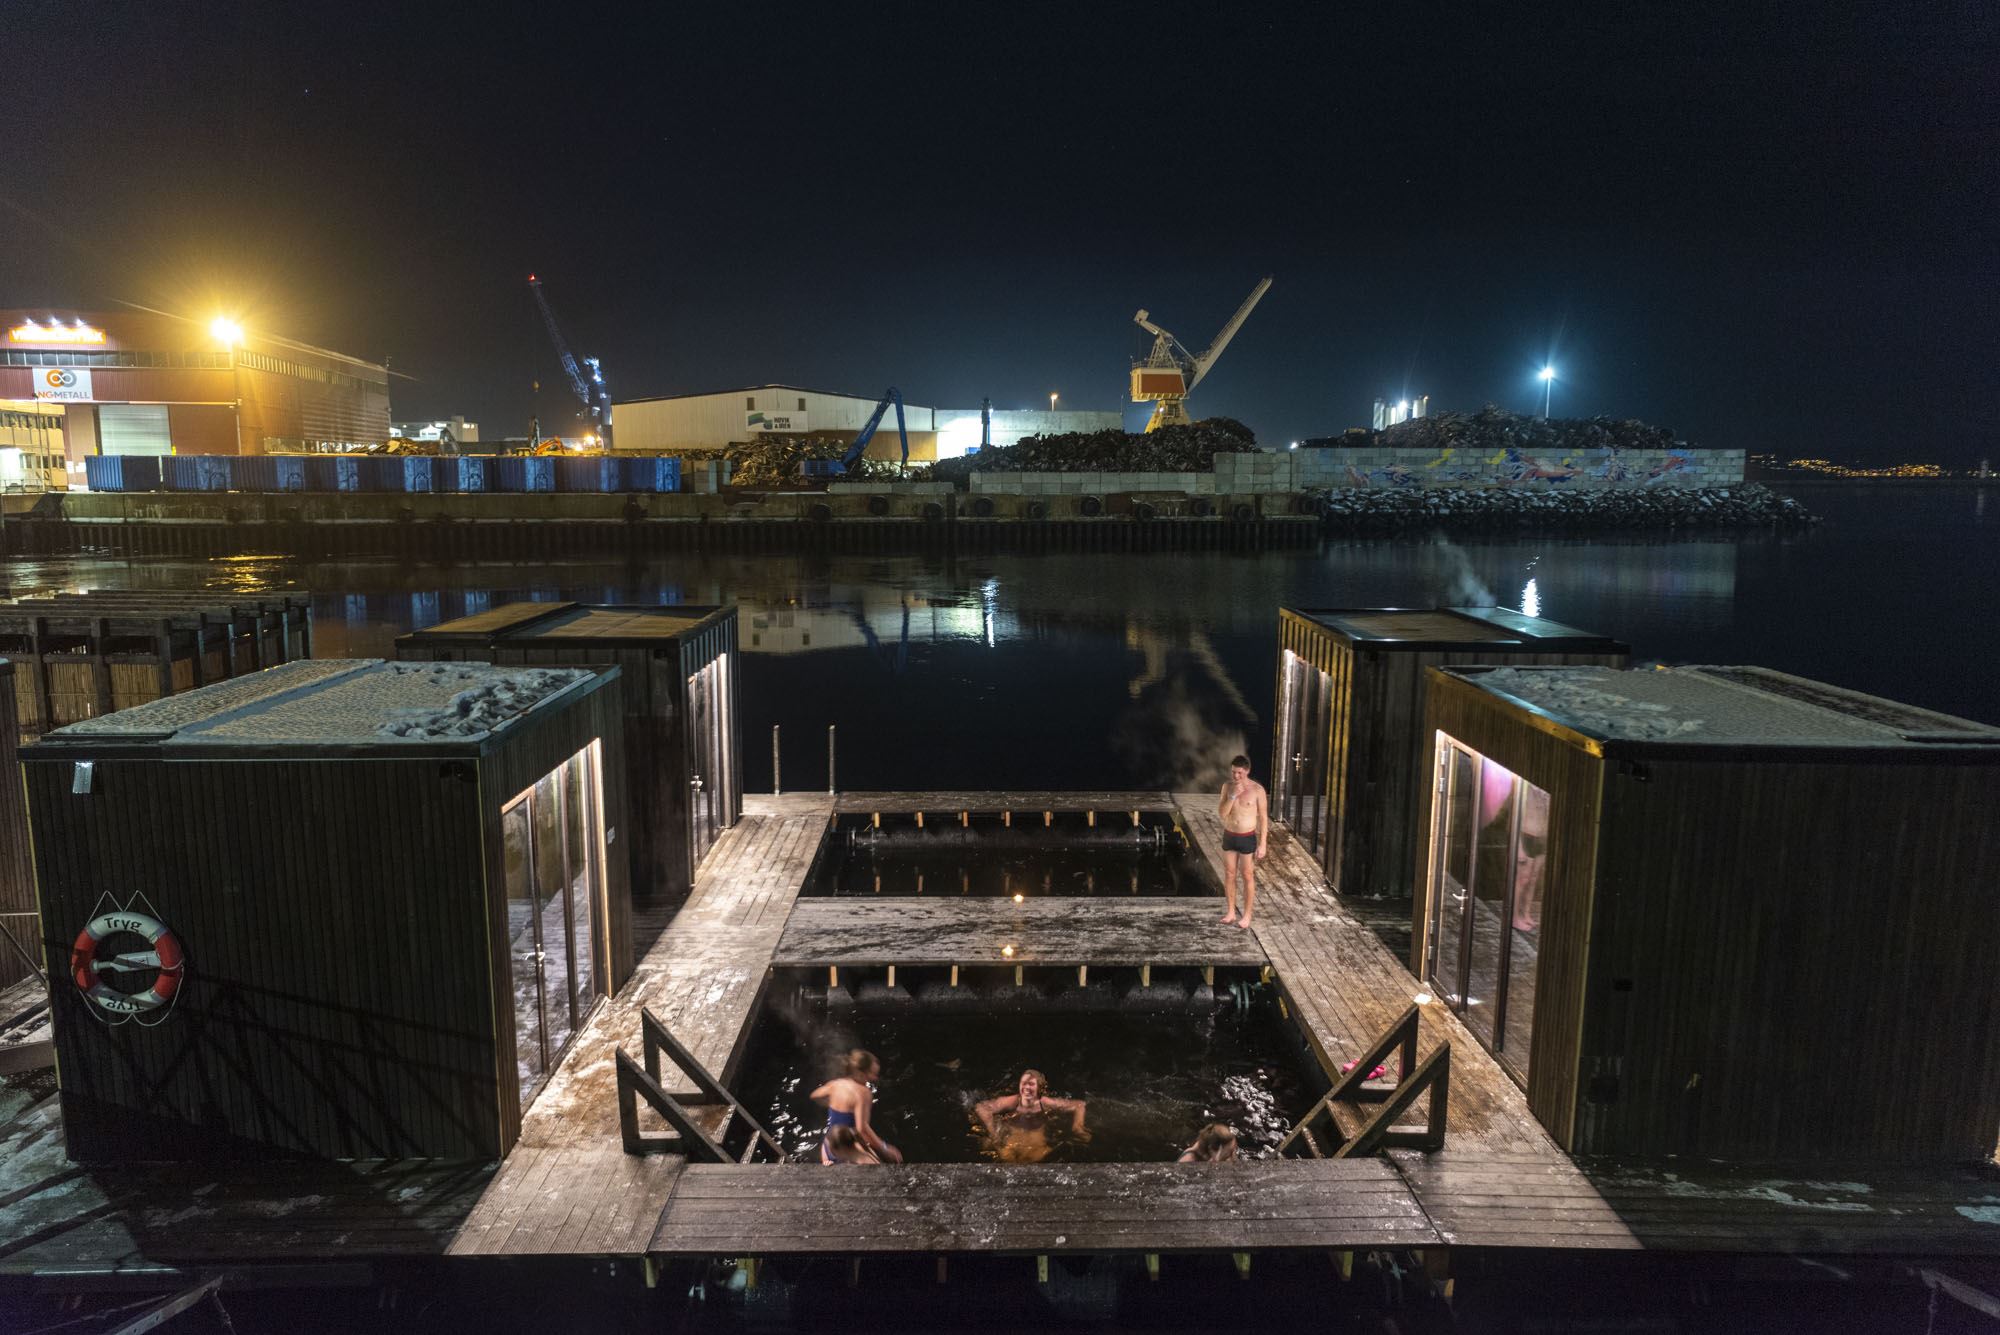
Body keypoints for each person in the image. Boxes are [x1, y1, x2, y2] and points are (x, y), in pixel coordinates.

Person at [810, 1048, 902, 1165]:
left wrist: (833, 1104)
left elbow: (815, 1095)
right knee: (879, 1168)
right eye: (873, 1074)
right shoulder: (863, 1093)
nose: (875, 1078)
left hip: (829, 1145)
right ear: (860, 1073)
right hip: (849, 1148)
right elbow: (861, 1129)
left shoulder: (836, 1084)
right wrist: (885, 1148)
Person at [974, 1069, 1087, 1164]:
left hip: (1036, 1144)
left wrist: (1078, 1128)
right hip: (1011, 1142)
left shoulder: (1045, 1103)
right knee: (1004, 1157)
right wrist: (993, 1134)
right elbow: (981, 1108)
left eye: (1031, 1084)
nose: (1026, 1087)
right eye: (1023, 1083)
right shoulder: (1013, 1101)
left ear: (1039, 1088)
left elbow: (1079, 1105)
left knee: (1035, 1160)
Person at [1217, 754, 1267, 929]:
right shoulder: (1227, 787)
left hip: (1247, 837)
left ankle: (1247, 915)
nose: (1235, 776)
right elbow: (1222, 814)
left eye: (1239, 773)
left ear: (1247, 771)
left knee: (1247, 875)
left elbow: (1264, 819)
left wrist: (1263, 843)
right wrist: (1232, 796)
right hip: (1230, 835)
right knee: (1230, 874)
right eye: (1233, 773)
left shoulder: (1257, 790)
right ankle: (1231, 912)